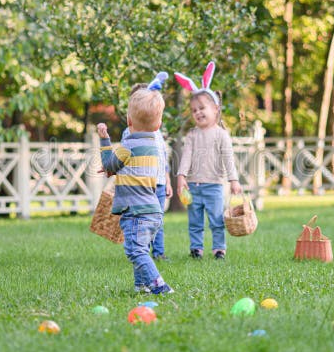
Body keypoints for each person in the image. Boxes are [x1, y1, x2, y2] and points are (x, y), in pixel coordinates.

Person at [97, 83, 174, 295]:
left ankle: (159, 284)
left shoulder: (127, 146)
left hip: (136, 212)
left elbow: (109, 165)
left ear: (129, 121)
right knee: (142, 248)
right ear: (158, 124)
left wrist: (104, 140)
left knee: (135, 250)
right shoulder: (152, 147)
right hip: (153, 210)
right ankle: (142, 285)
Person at [174, 61, 242, 260]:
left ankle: (219, 248)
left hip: (213, 185)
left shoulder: (221, 135)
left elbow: (228, 159)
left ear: (215, 108)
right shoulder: (192, 135)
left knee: (216, 220)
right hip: (194, 186)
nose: (198, 113)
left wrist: (234, 180)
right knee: (194, 220)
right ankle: (196, 248)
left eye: (202, 108)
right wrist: (181, 176)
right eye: (194, 110)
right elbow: (185, 157)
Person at [122, 74, 173, 261]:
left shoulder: (157, 131)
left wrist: (167, 181)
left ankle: (158, 252)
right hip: (142, 185)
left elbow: (163, 158)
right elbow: (125, 158)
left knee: (157, 220)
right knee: (143, 221)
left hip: (159, 182)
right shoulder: (129, 132)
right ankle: (142, 249)